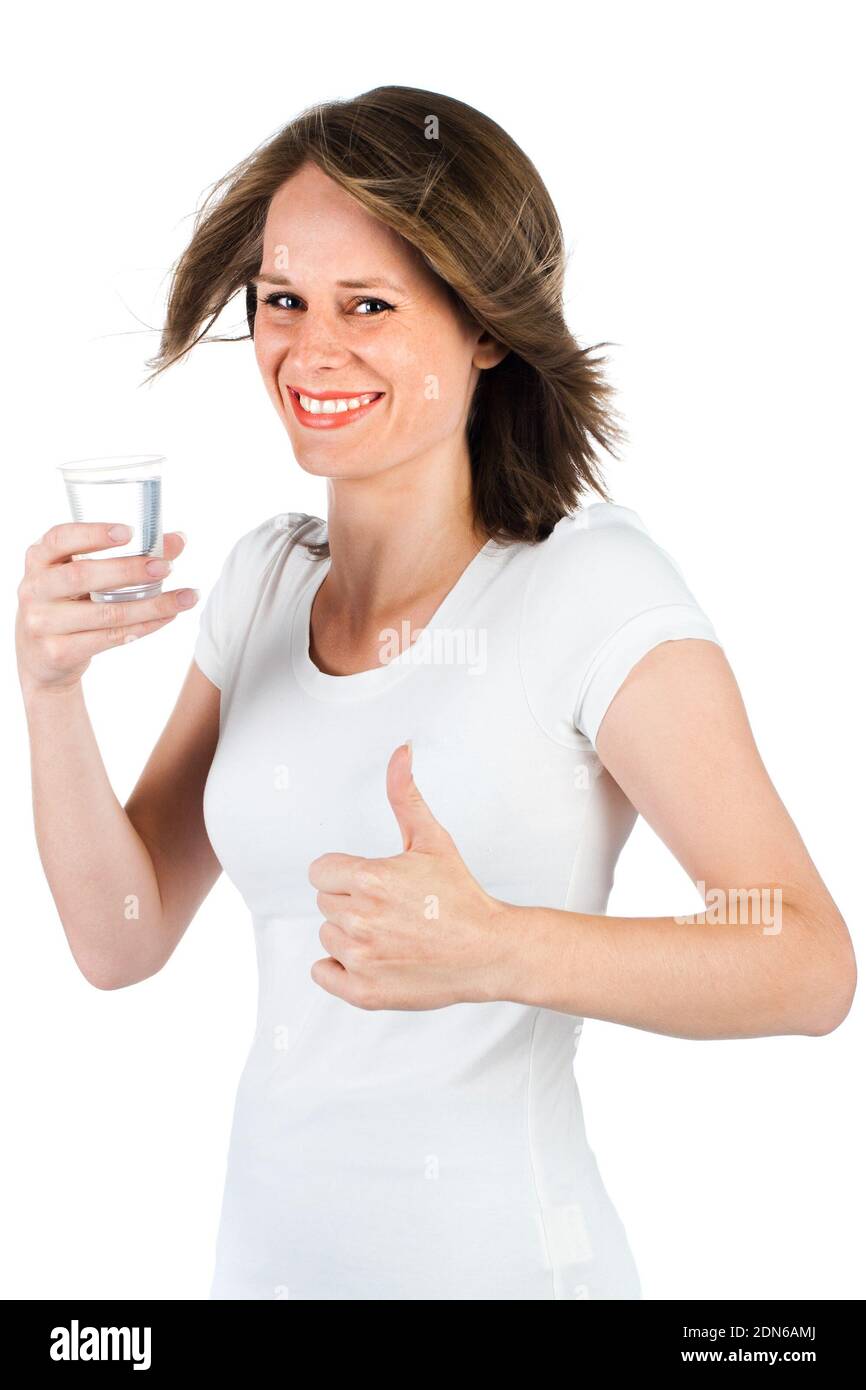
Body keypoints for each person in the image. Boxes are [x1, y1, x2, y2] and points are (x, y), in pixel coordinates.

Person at [16, 86, 856, 1301]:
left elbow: (805, 958)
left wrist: (497, 947)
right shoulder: (260, 582)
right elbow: (119, 939)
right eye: (283, 301)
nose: (311, 350)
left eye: (370, 305)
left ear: (486, 328)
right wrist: (49, 690)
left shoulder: (587, 590)